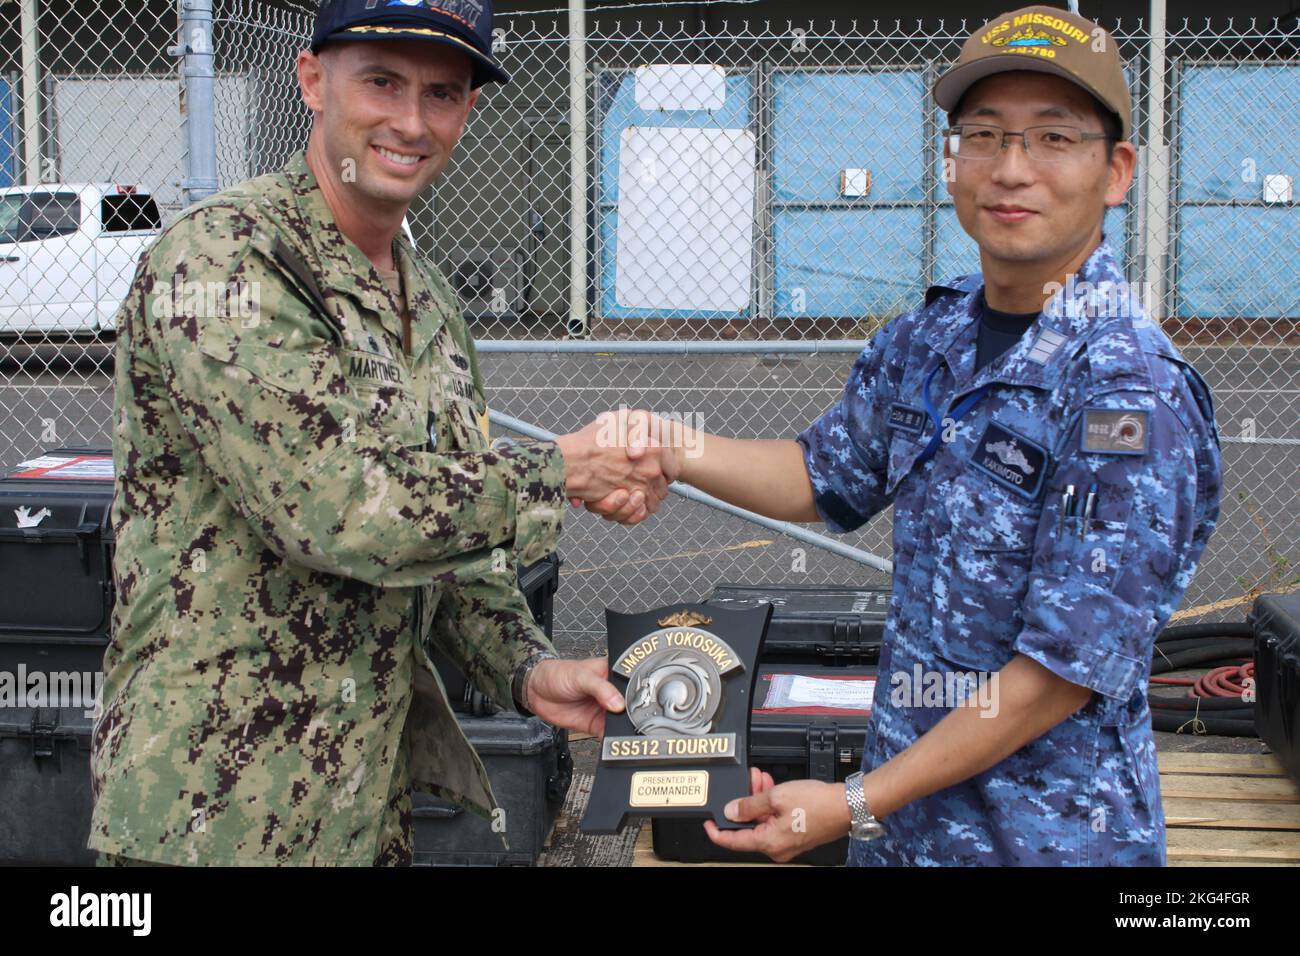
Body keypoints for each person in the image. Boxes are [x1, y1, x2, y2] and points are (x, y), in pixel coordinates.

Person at [587, 5, 1222, 865]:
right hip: (906, 827)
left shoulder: (1129, 392)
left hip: (1047, 837)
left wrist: (852, 800)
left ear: (1116, 172)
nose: (1011, 170)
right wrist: (670, 444)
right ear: (951, 160)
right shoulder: (932, 335)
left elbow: (1060, 673)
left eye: (1052, 139)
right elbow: (820, 475)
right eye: (984, 136)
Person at [91, 0, 675, 866]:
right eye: (381, 82)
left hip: (362, 811)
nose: (410, 121)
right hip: (207, 818)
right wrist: (563, 470)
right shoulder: (221, 261)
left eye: (441, 93)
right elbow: (338, 510)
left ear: (467, 113)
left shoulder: (429, 302)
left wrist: (528, 667)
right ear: (312, 81)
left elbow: (451, 547)